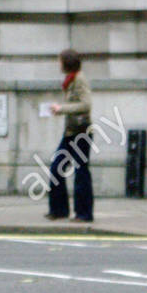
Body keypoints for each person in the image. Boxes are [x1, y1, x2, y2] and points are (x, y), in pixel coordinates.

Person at [47, 48, 94, 223]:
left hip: (82, 133)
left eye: (60, 61)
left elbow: (86, 105)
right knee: (56, 167)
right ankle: (59, 210)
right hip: (71, 132)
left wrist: (61, 109)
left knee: (81, 172)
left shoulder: (80, 80)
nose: (58, 64)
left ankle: (84, 214)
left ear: (67, 62)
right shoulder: (71, 79)